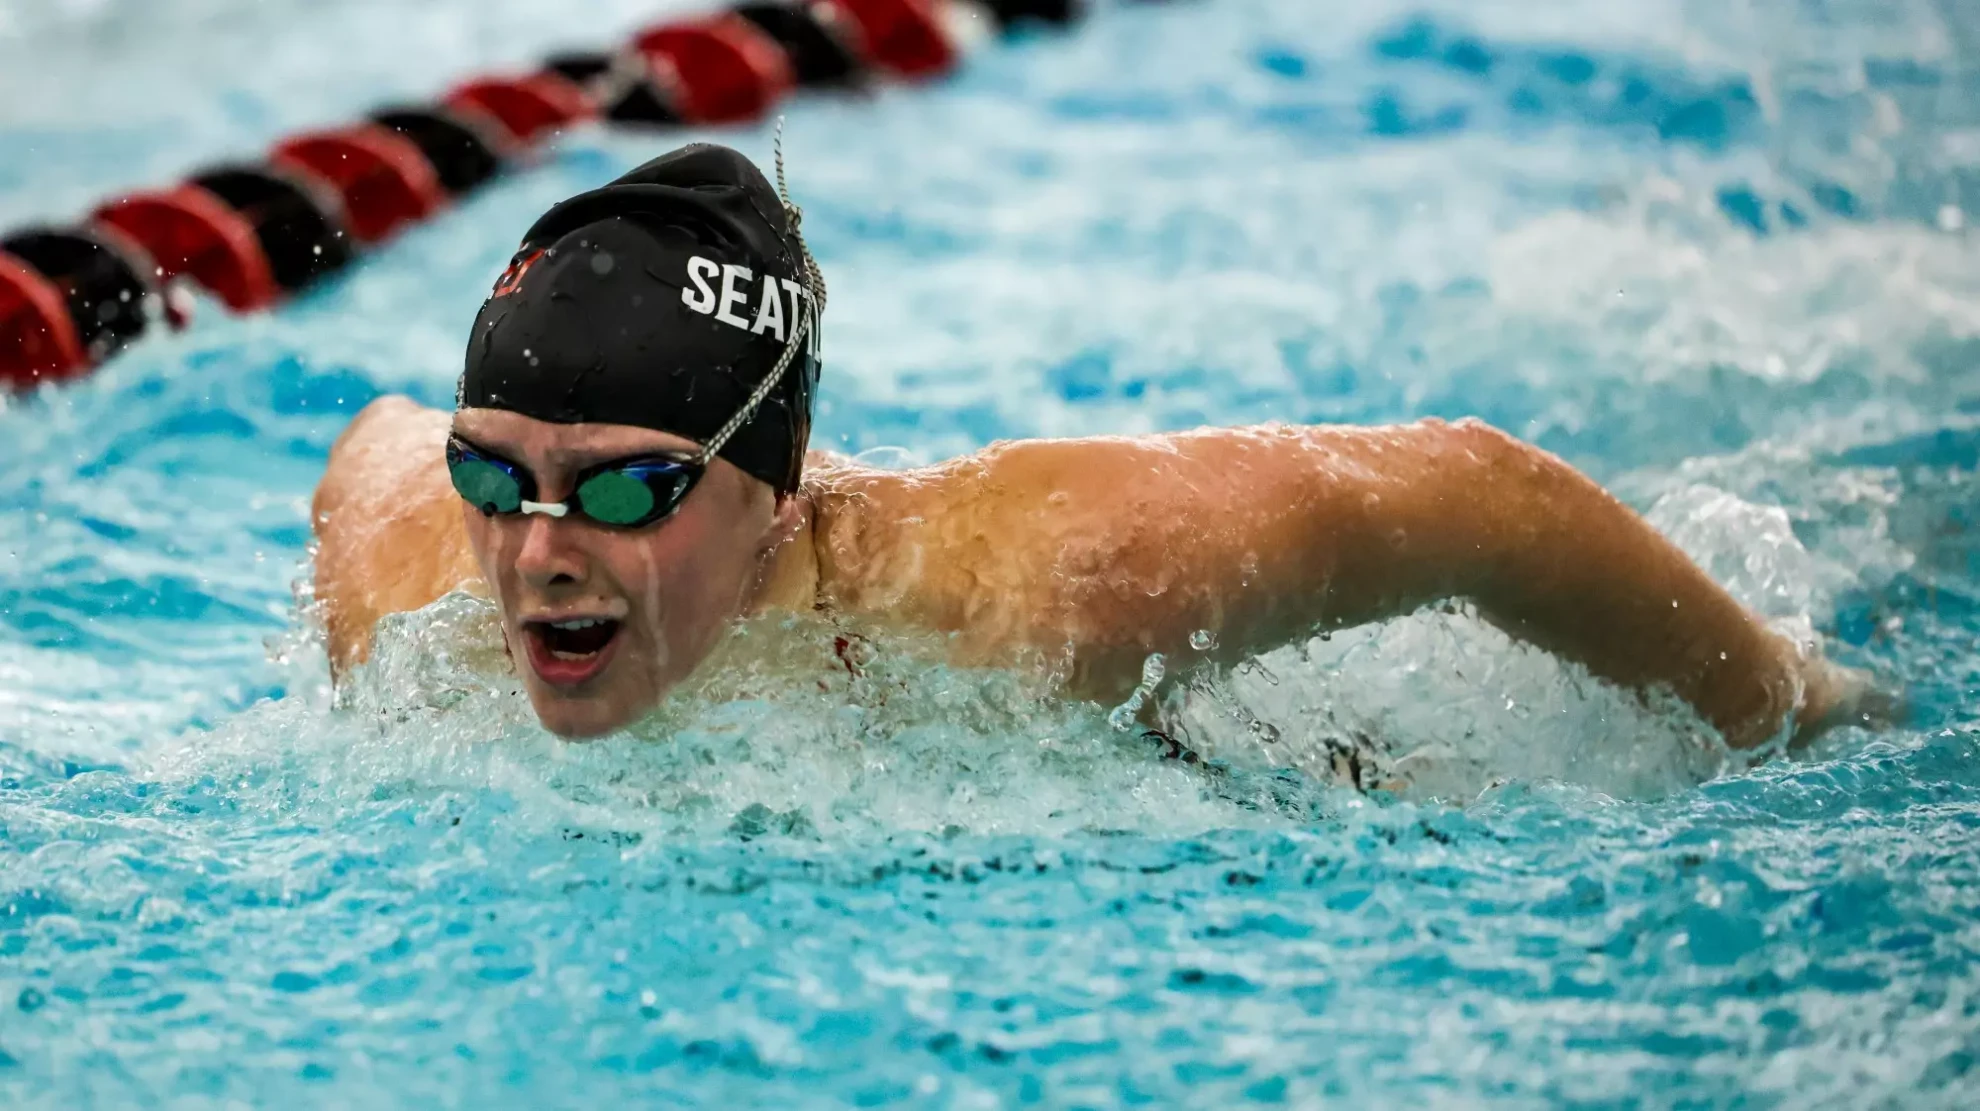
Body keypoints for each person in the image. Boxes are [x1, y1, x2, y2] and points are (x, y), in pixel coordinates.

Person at [311, 142, 1881, 751]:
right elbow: (370, 444)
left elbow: (1479, 494)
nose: (537, 550)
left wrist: (1784, 700)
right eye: (495, 474)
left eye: (627, 486)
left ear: (773, 489)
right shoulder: (416, 581)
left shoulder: (1039, 589)